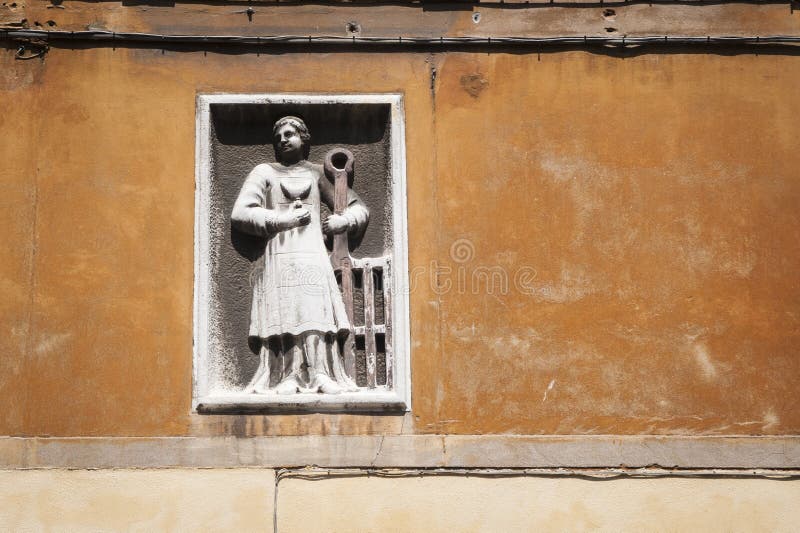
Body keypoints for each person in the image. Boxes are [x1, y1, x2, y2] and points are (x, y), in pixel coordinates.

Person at [231, 116, 368, 394]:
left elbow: (360, 208)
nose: (283, 139)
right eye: (278, 136)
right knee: (285, 311)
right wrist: (282, 220)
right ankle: (287, 376)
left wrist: (344, 221)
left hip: (313, 254)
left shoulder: (317, 174)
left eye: (289, 134)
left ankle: (321, 373)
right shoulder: (264, 172)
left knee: (315, 311)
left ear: (304, 139)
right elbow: (241, 213)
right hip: (279, 254)